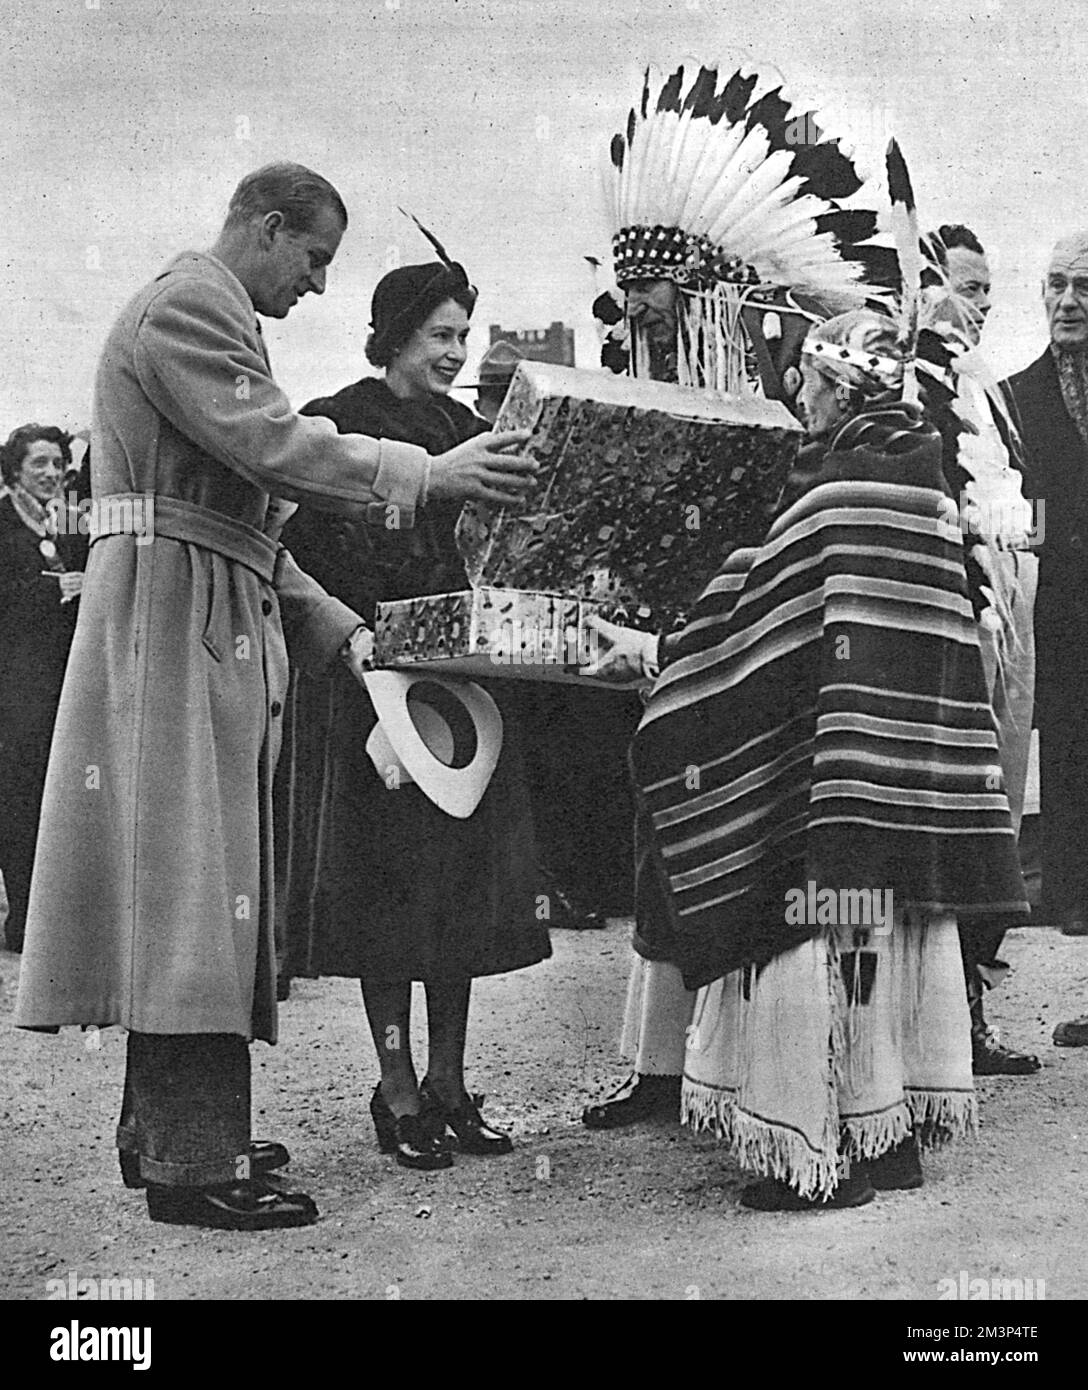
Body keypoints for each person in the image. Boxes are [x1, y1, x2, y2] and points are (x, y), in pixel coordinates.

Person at [13, 162, 535, 1231]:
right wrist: (424, 474)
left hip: (195, 609)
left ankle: (170, 1139)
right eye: (312, 258)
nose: (314, 285)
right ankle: (193, 1164)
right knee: (193, 899)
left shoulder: (207, 315)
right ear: (265, 225)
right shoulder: (192, 302)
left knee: (190, 898)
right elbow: (278, 452)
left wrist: (339, 638)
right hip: (175, 621)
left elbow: (253, 521)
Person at [593, 310, 1030, 1208]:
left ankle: (818, 1151)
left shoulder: (835, 496)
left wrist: (659, 652)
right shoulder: (925, 486)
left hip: (827, 797)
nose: (795, 391)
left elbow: (756, 622)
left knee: (817, 951)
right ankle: (887, 1137)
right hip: (901, 792)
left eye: (806, 378)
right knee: (884, 949)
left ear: (837, 384)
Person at [583, 59, 888, 1131]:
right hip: (674, 634)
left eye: (659, 303)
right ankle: (662, 1065)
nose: (641, 321)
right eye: (629, 306)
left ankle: (754, 1075)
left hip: (762, 642)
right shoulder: (639, 380)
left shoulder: (785, 402)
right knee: (660, 831)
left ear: (707, 292)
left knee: (755, 844)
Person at [275, 258, 551, 1170]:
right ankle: (395, 1088)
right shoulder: (338, 422)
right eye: (440, 335)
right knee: (388, 900)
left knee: (462, 897)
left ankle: (450, 1083)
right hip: (373, 691)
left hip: (469, 693)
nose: (456, 352)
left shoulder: (476, 431)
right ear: (395, 335)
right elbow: (306, 550)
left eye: (463, 336)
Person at [915, 224, 1041, 1075]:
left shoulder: (986, 386)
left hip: (1011, 598)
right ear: (927, 287)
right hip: (955, 610)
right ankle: (949, 1021)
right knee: (956, 807)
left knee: (999, 798)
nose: (982, 304)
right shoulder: (910, 382)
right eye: (968, 286)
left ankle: (972, 1005)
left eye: (991, 289)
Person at [1004, 231, 1088, 1046]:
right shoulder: (1013, 398)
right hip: (1063, 633)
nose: (1068, 303)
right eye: (1057, 285)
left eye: (1085, 289)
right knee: (1075, 800)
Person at [0, 425, 84, 951]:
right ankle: (23, 917)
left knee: (58, 793)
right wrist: (50, 591)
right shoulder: (3, 521)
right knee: (21, 794)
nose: (52, 474)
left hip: (59, 678)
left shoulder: (70, 522)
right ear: (14, 472)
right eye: (39, 465)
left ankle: (49, 915)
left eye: (57, 464)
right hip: (13, 683)